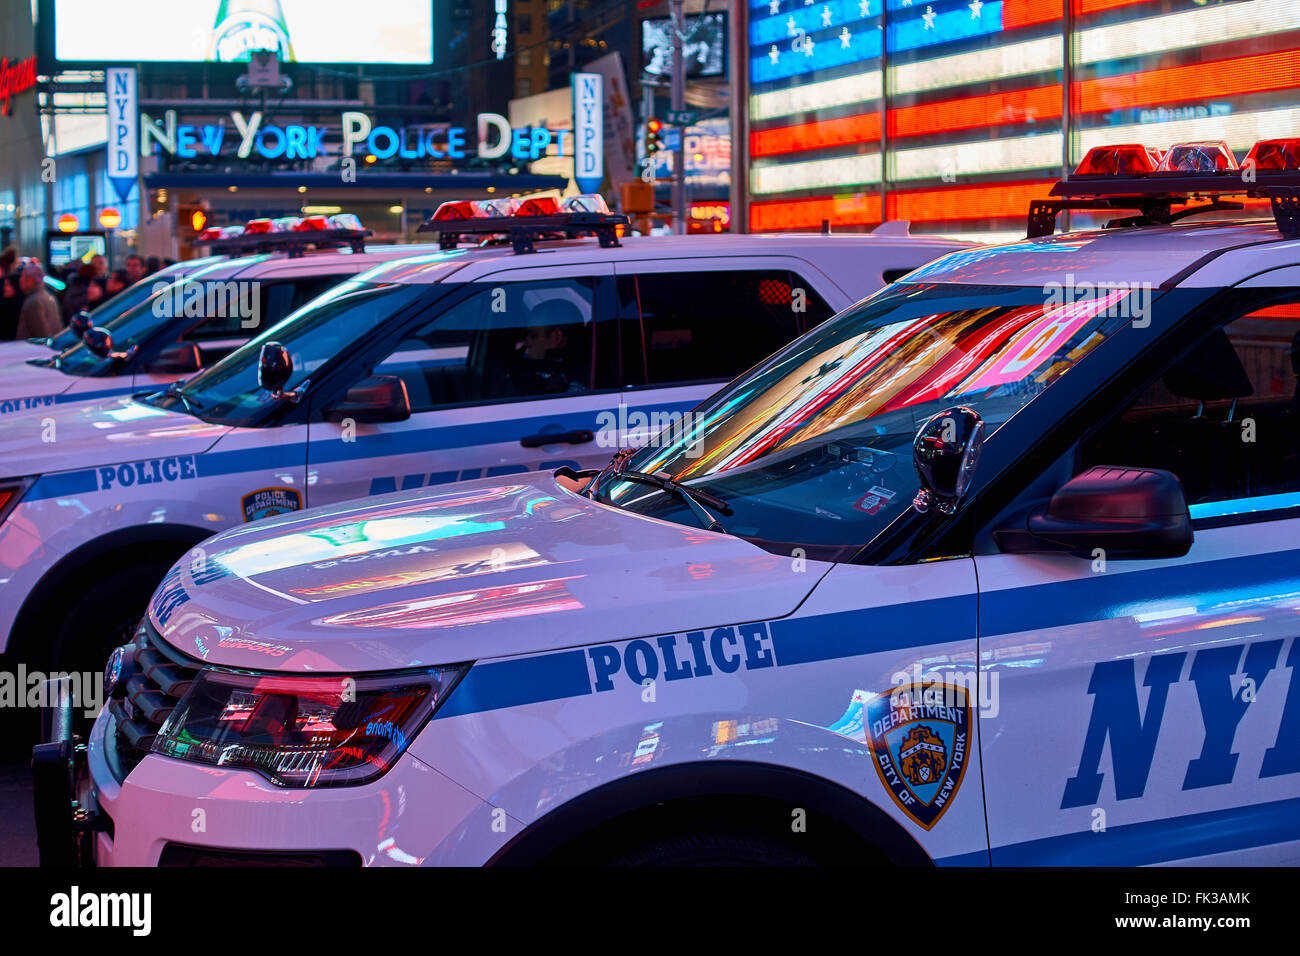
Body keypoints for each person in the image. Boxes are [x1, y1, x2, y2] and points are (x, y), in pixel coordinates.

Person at [17, 263, 62, 339]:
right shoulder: (48, 296)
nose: (20, 279)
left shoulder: (34, 301)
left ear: (30, 280)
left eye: (22, 276)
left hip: (33, 349)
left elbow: (41, 335)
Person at [0, 270, 22, 340]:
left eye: (7, 285)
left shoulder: (22, 305)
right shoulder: (4, 303)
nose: (4, 288)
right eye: (4, 285)